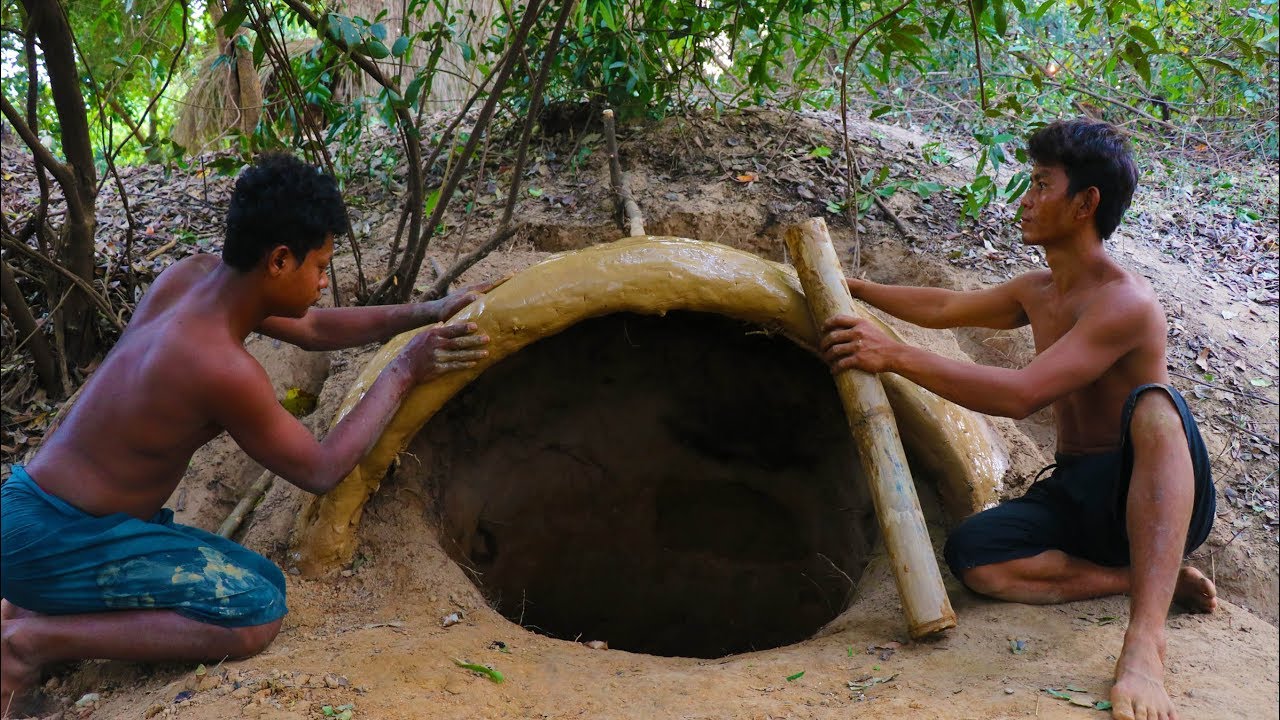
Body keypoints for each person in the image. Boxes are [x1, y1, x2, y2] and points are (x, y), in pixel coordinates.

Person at [1, 153, 492, 713]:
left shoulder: (190, 278)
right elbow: (321, 468)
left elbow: (310, 328)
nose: (323, 281)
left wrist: (426, 312)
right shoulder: (217, 366)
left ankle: (25, 608)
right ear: (280, 260)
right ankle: (27, 642)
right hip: (57, 541)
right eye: (321, 266)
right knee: (257, 613)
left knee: (258, 578)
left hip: (32, 515)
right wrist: (404, 370)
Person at [819, 119, 1216, 720]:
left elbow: (1021, 395)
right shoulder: (1041, 289)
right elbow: (946, 307)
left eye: (1040, 184)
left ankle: (1144, 642)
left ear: (1086, 203)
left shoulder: (1124, 303)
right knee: (976, 556)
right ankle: (1138, 577)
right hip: (1077, 494)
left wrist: (894, 354)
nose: (1025, 200)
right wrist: (847, 286)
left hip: (1145, 492)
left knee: (1157, 406)